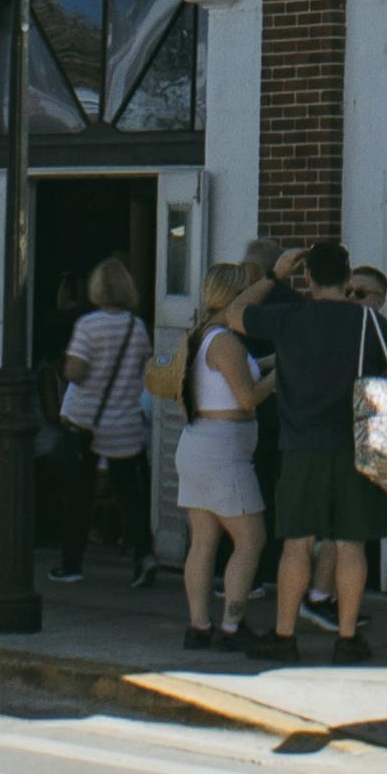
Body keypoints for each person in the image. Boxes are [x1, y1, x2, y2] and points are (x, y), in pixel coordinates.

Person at [257, 239, 387, 659]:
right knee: (351, 544)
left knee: (296, 545)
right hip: (356, 445)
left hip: (302, 445)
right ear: (346, 278)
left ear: (307, 276)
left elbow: (232, 314)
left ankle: (285, 636)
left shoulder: (288, 317)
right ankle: (346, 638)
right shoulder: (371, 324)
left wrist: (273, 276)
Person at [171, 258, 268, 645]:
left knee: (203, 540)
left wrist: (266, 365)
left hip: (198, 443)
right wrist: (279, 377)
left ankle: (198, 626)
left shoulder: (202, 334)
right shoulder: (226, 341)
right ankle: (231, 625)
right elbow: (247, 397)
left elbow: (230, 378)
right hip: (225, 449)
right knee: (251, 539)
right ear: (235, 296)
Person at [59, 250, 158, 582]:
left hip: (85, 421)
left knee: (77, 495)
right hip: (125, 422)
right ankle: (143, 555)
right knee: (130, 495)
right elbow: (144, 368)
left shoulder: (88, 325)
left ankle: (71, 564)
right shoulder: (137, 327)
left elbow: (75, 371)